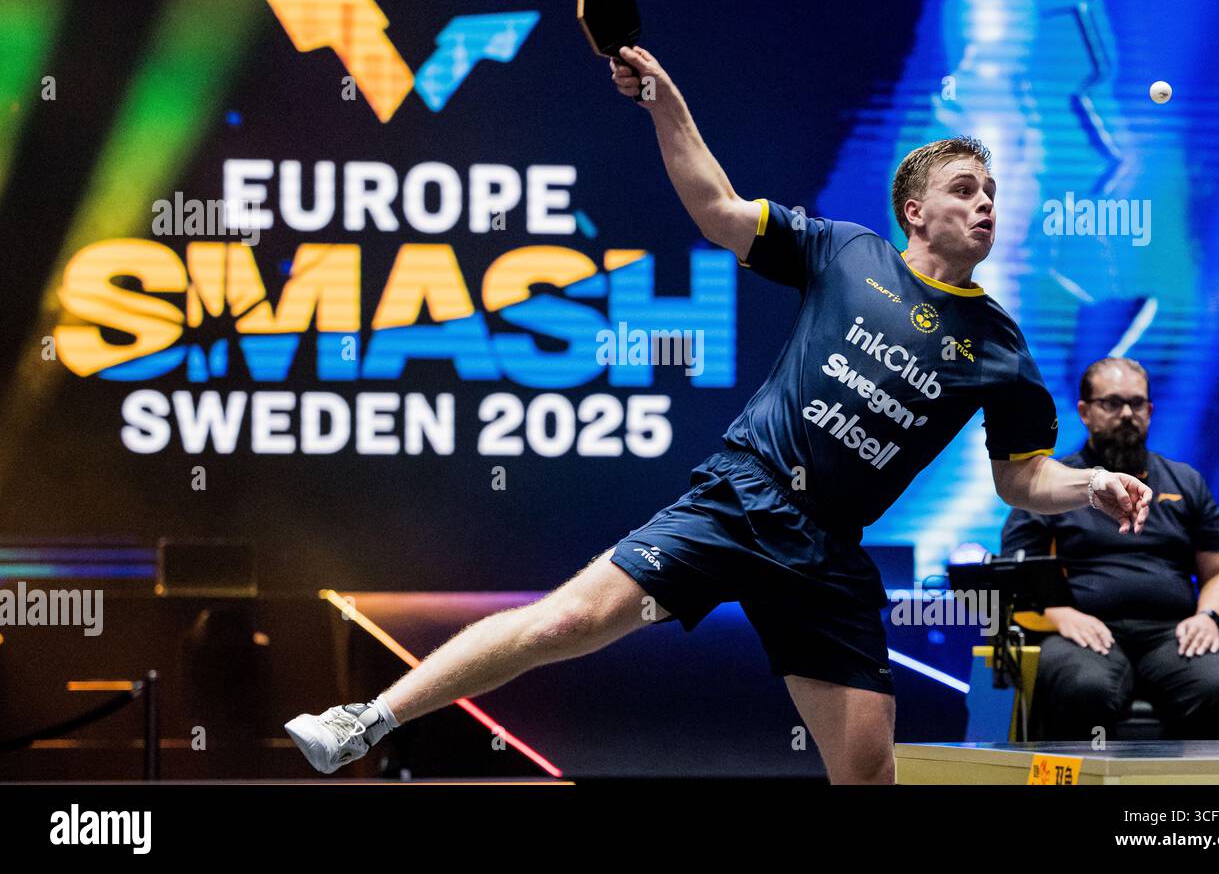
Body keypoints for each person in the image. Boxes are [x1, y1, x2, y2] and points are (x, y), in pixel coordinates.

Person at [284, 45, 1151, 784]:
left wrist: (1090, 485)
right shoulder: (848, 253)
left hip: (826, 553)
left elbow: (1020, 475)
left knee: (868, 772)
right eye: (966, 188)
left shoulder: (998, 345)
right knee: (568, 621)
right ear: (915, 211)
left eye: (993, 191)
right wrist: (665, 100)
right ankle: (365, 719)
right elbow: (718, 208)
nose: (987, 203)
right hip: (741, 497)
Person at [1001, 356, 1219, 740]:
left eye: (1137, 404)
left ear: (1150, 411)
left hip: (1173, 634)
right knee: (1084, 690)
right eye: (1111, 403)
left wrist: (1209, 617)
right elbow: (1015, 577)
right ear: (1084, 412)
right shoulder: (1052, 485)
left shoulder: (1186, 482)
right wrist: (1062, 616)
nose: (1126, 414)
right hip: (1082, 633)